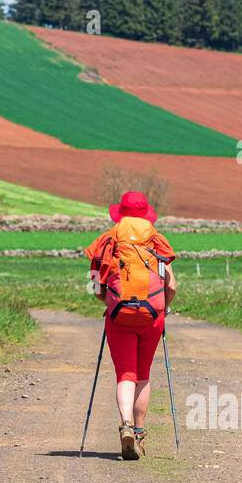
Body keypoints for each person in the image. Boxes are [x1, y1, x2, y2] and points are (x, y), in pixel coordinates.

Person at [85, 190, 177, 460]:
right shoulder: (156, 241)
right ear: (146, 214)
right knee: (143, 374)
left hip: (119, 316)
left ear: (120, 213)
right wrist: (165, 306)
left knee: (125, 374)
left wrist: (110, 301)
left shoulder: (108, 241)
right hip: (152, 317)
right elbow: (170, 285)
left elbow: (94, 286)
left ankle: (124, 424)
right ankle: (138, 433)